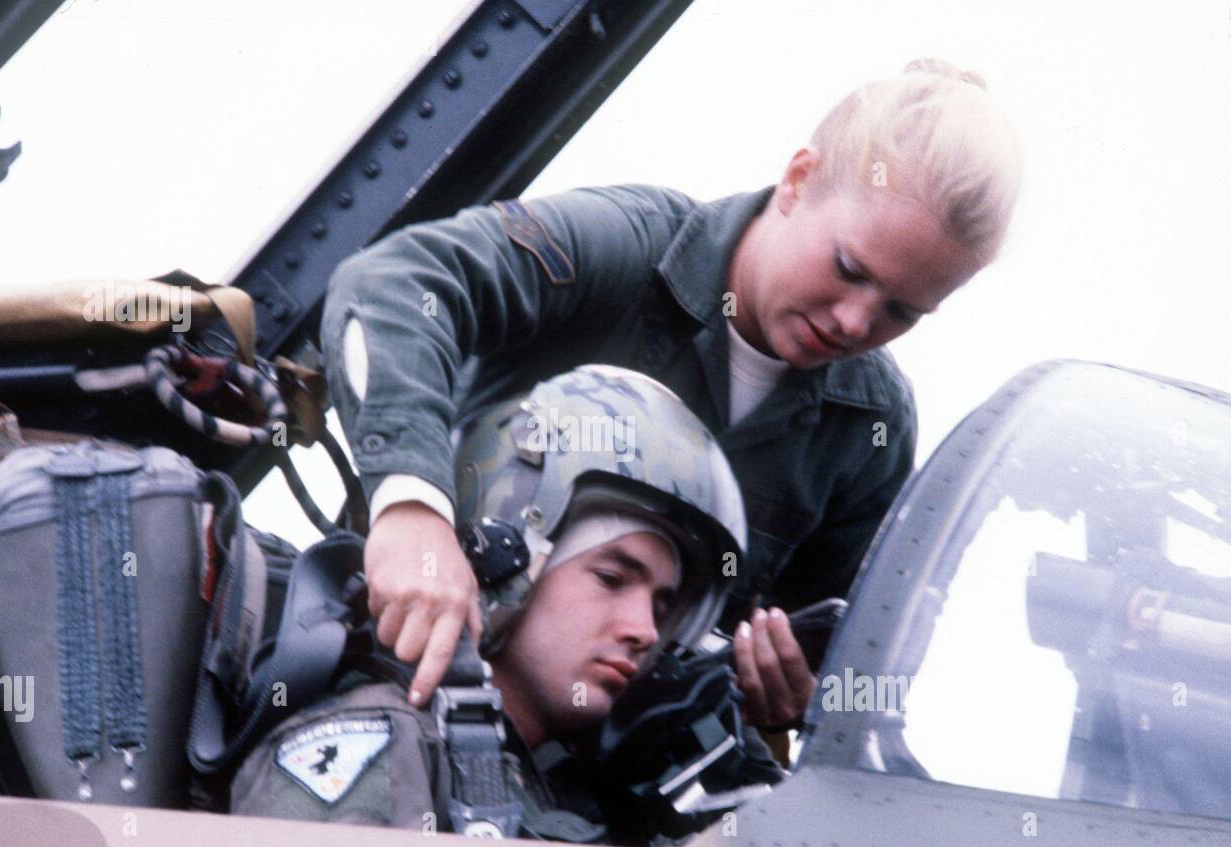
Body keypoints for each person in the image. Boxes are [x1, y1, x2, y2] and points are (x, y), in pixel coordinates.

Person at [319, 58, 1023, 715]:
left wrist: (796, 703)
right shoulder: (627, 250)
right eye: (849, 267)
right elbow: (394, 285)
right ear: (799, 181)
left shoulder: (870, 429)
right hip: (407, 693)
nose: (855, 321)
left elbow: (840, 648)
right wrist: (412, 510)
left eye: (902, 310)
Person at [229, 366, 804, 845]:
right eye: (610, 578)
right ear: (500, 568)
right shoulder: (381, 743)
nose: (643, 630)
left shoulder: (572, 793)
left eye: (662, 606)